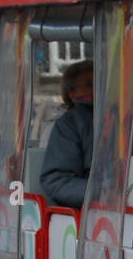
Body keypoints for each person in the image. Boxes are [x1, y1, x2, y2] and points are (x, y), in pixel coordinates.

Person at [40, 61, 94, 208]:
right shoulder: (68, 123)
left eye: (102, 82)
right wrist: (103, 193)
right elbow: (57, 180)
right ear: (72, 93)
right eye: (89, 85)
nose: (97, 88)